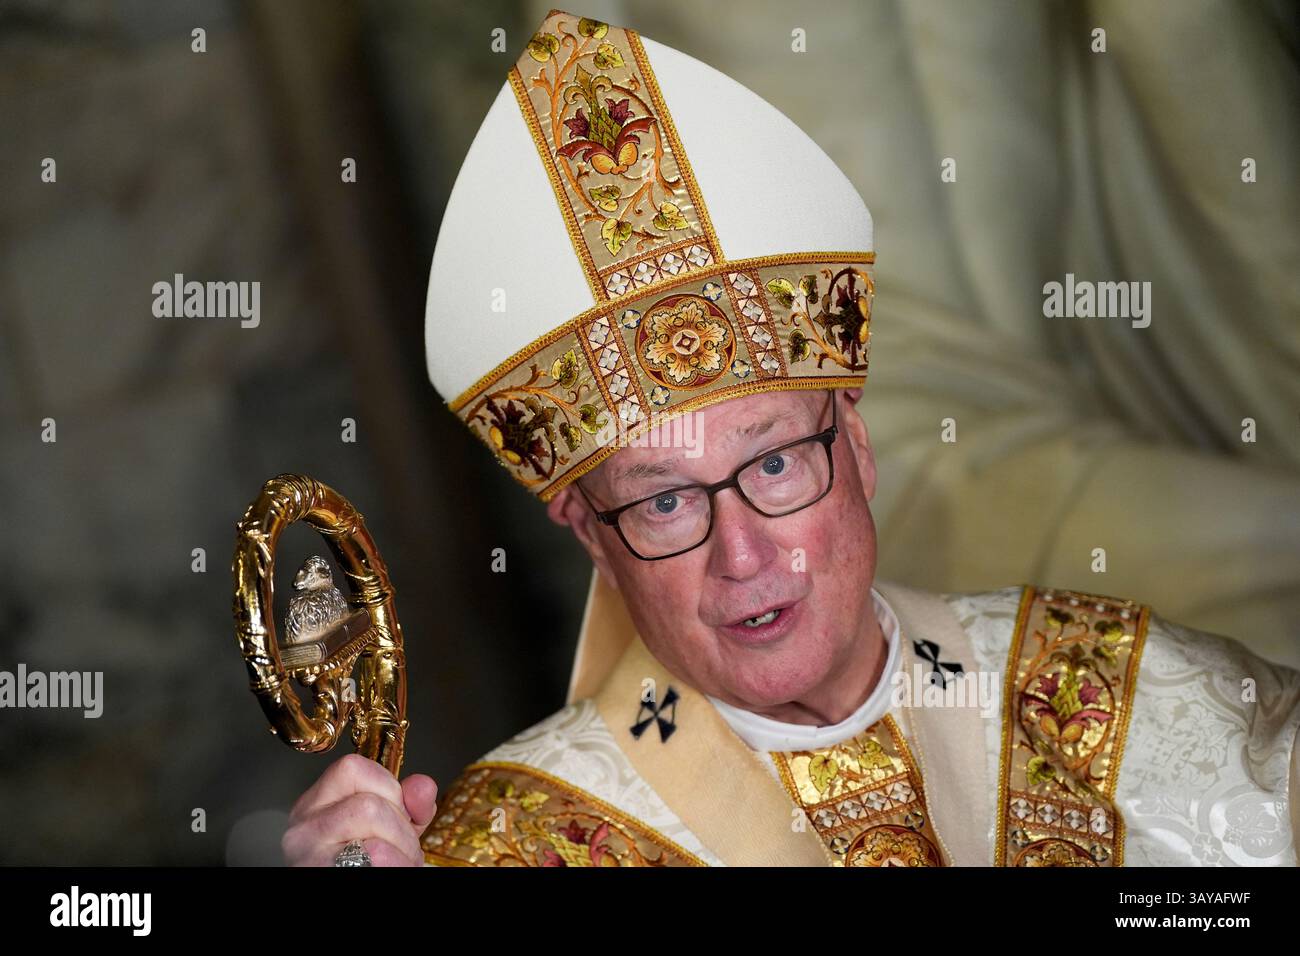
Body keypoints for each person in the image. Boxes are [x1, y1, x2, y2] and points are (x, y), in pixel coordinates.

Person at [282, 9, 1300, 867]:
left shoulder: (1101, 682)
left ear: (853, 447)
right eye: (664, 499)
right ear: (589, 532)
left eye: (773, 463)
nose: (743, 555)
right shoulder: (525, 836)